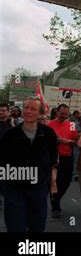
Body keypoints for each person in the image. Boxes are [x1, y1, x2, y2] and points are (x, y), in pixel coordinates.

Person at [0, 97, 58, 231]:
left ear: (40, 113)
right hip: (14, 191)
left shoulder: (48, 134)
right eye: (26, 108)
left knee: (37, 227)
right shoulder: (10, 135)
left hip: (38, 191)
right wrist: (5, 190)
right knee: (16, 228)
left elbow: (52, 161)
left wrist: (52, 182)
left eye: (33, 109)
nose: (28, 111)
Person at [48, 104, 79, 218]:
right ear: (57, 112)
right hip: (55, 157)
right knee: (55, 181)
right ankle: (56, 207)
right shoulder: (50, 124)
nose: (64, 116)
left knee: (66, 181)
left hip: (68, 156)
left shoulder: (71, 124)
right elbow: (47, 140)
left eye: (66, 114)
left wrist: (78, 137)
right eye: (62, 113)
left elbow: (75, 138)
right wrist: (58, 139)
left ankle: (56, 198)